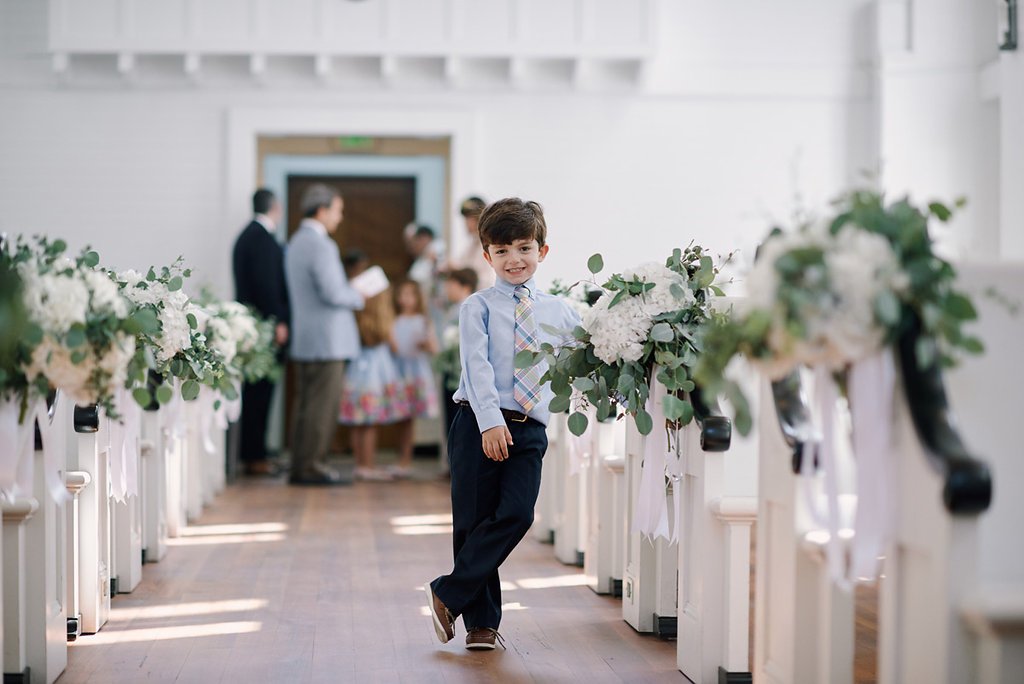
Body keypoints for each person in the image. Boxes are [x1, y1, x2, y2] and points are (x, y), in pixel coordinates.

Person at [425, 198, 581, 651]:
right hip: (478, 422)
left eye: (524, 248)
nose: (515, 259)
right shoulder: (477, 307)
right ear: (487, 255)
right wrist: (490, 422)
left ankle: (448, 592)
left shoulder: (559, 311)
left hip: (530, 426)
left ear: (542, 251)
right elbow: (476, 367)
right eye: (502, 250)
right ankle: (481, 623)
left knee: (517, 513)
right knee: (473, 521)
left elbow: (585, 356)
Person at [284, 184, 364, 486]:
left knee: (306, 406)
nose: (339, 218)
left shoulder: (295, 241)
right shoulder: (321, 244)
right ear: (322, 210)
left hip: (307, 338)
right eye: (337, 211)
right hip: (328, 340)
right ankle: (312, 467)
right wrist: (358, 295)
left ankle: (301, 465)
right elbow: (333, 292)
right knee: (321, 408)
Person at [231, 188, 289, 476]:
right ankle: (255, 457)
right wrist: (278, 321)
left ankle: (257, 453)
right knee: (259, 394)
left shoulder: (246, 236)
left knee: (258, 394)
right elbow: (267, 285)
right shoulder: (261, 239)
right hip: (264, 328)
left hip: (255, 325)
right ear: (275, 207)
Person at [338, 260, 409, 482]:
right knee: (370, 421)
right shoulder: (384, 321)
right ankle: (368, 466)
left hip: (357, 370)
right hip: (377, 372)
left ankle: (360, 464)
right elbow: (395, 346)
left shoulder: (356, 317)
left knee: (358, 420)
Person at [390, 279, 440, 479]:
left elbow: (434, 349)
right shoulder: (394, 321)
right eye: (402, 294)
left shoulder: (423, 321)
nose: (406, 299)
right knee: (400, 417)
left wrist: (425, 344)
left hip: (415, 373)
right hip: (398, 372)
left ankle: (406, 460)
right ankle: (401, 459)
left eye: (410, 294)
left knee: (409, 419)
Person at [437, 268, 477, 441]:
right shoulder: (453, 308)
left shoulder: (469, 308)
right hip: (450, 369)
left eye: (451, 285)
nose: (447, 290)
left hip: (460, 372)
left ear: (464, 286)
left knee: (458, 417)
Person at [445, 196, 494, 290]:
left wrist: (459, 272)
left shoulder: (490, 244)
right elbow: (461, 264)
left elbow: (487, 280)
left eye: (470, 218)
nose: (466, 223)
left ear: (480, 219)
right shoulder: (472, 244)